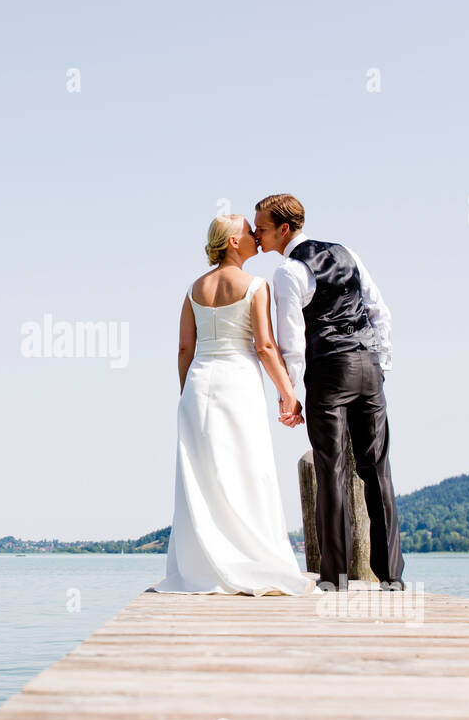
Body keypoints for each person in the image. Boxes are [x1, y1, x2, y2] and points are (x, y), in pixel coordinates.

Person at [150, 214, 320, 596]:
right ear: (231, 242)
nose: (255, 236)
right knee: (248, 466)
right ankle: (253, 560)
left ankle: (202, 565)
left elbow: (183, 349)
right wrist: (289, 392)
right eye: (248, 231)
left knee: (202, 473)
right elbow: (264, 346)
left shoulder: (194, 288)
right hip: (237, 382)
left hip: (198, 385)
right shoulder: (256, 285)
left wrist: (185, 394)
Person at [253, 193, 404, 591]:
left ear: (284, 229)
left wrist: (293, 393)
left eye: (262, 228)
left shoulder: (288, 271)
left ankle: (334, 577)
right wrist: (381, 363)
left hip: (328, 373)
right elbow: (378, 310)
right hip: (368, 367)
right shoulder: (347, 251)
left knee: (331, 469)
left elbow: (293, 339)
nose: (257, 234)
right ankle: (392, 577)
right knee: (377, 470)